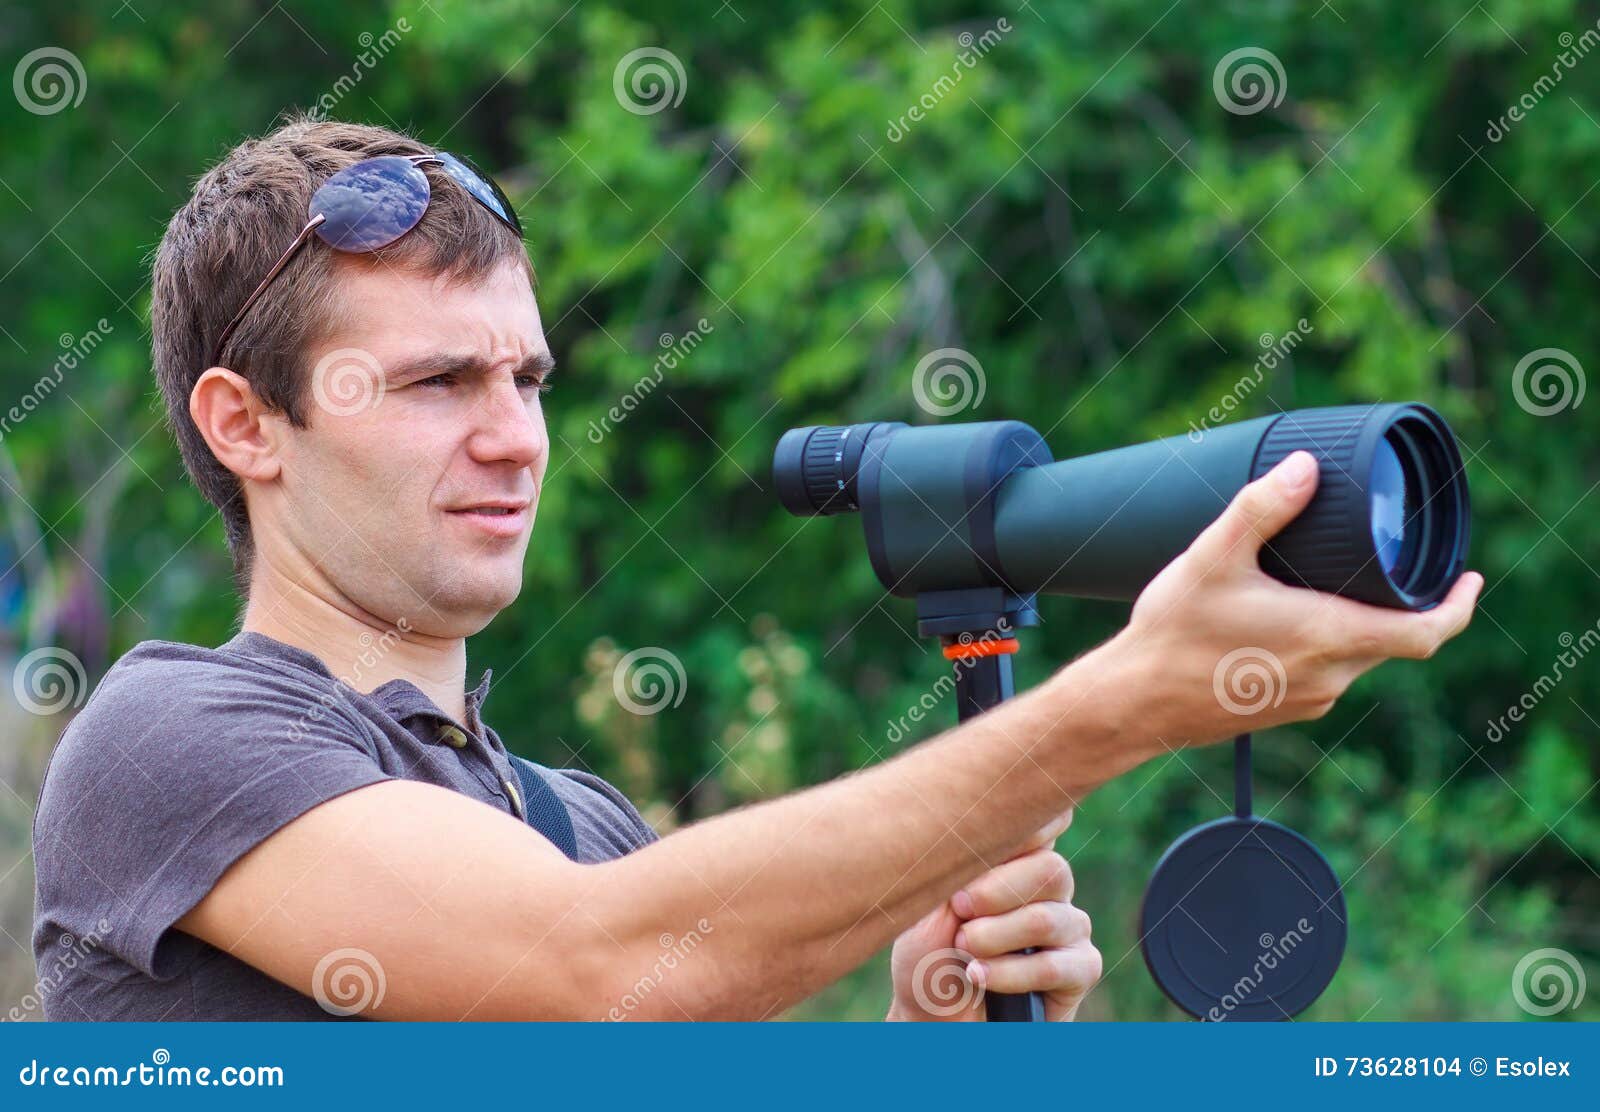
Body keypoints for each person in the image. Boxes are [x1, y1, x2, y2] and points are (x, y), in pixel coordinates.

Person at [30, 116, 1481, 1021]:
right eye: (436, 385)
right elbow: (590, 974)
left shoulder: (583, 826)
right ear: (247, 425)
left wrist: (929, 1040)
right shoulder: (168, 744)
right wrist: (1126, 704)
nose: (517, 439)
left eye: (528, 378)